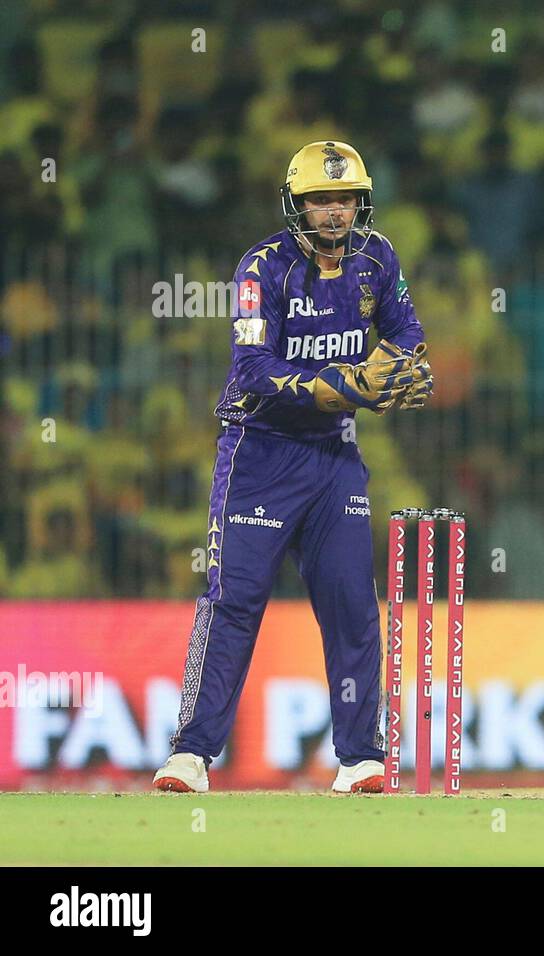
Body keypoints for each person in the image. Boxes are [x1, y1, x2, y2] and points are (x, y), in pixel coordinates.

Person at [153, 141, 432, 794]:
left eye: (344, 199)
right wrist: (343, 382)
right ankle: (191, 755)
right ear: (296, 205)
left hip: (335, 456)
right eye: (320, 200)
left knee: (351, 604)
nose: (334, 213)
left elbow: (407, 332)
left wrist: (405, 365)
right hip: (259, 454)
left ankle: (361, 757)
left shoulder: (378, 257)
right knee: (235, 601)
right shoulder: (262, 268)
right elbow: (253, 370)